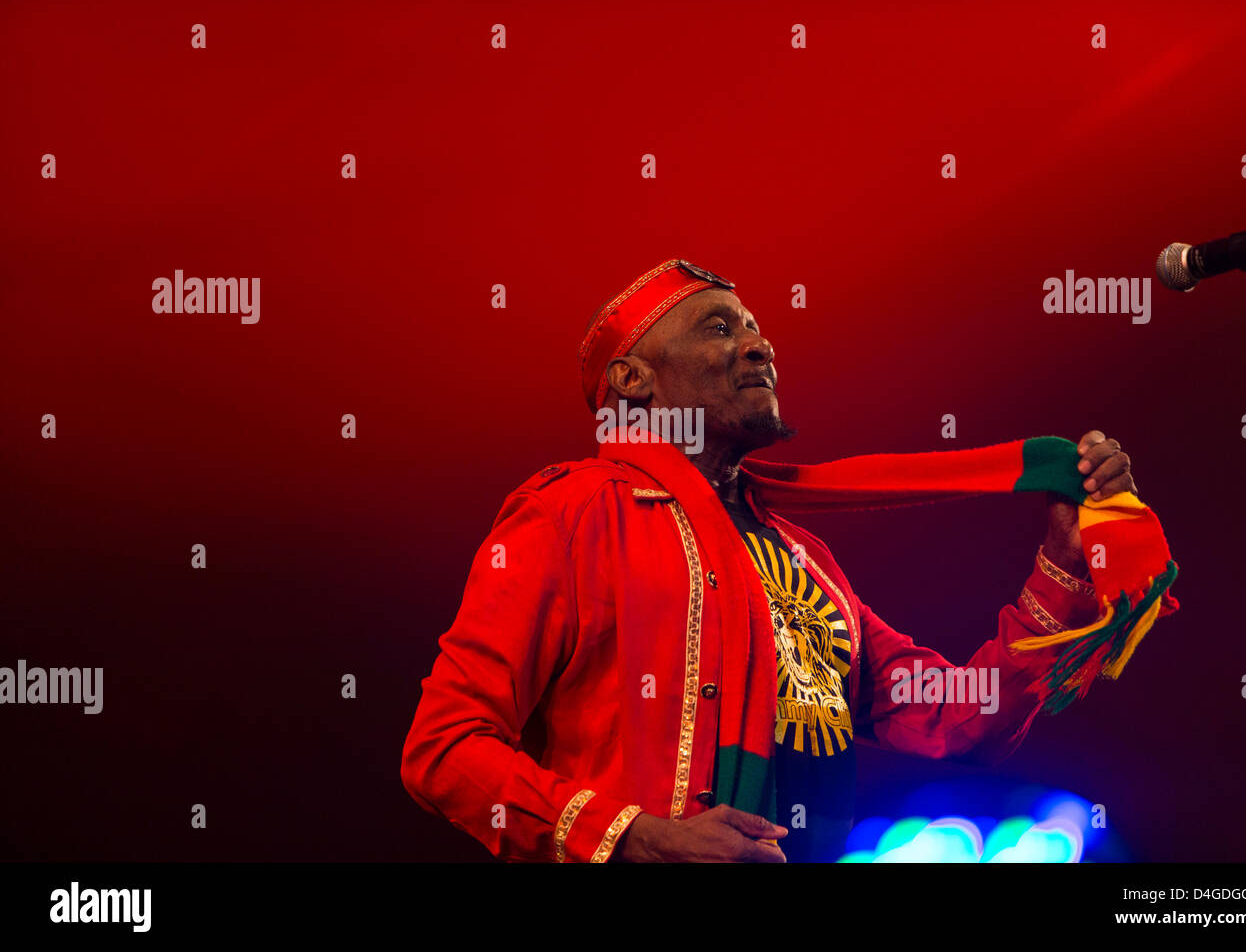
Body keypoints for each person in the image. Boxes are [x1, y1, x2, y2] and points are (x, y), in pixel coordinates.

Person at [400, 259, 1137, 862]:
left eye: (756, 328)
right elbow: (446, 745)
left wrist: (1064, 568)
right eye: (719, 328)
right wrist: (635, 838)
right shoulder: (573, 511)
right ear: (633, 380)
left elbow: (953, 718)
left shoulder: (801, 556)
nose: (760, 346)